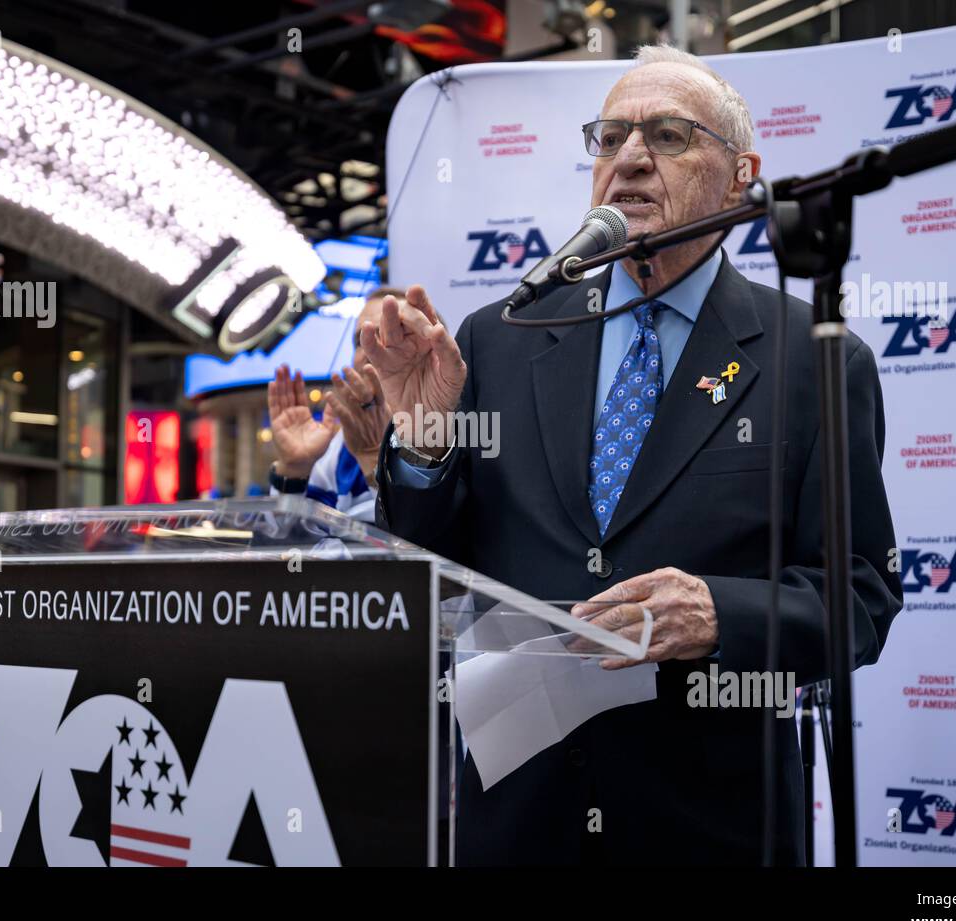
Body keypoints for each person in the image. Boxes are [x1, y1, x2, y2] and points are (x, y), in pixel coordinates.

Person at [364, 45, 902, 865]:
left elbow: (860, 596)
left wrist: (719, 613)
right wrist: (427, 446)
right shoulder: (500, 341)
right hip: (521, 821)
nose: (630, 160)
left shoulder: (814, 358)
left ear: (740, 176)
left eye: (669, 135)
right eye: (609, 137)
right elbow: (431, 573)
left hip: (711, 827)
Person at [266, 287, 403, 522]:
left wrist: (373, 457)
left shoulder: (451, 435)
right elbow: (286, 542)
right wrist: (294, 470)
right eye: (361, 340)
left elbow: (428, 539)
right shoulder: (340, 447)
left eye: (388, 334)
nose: (369, 350)